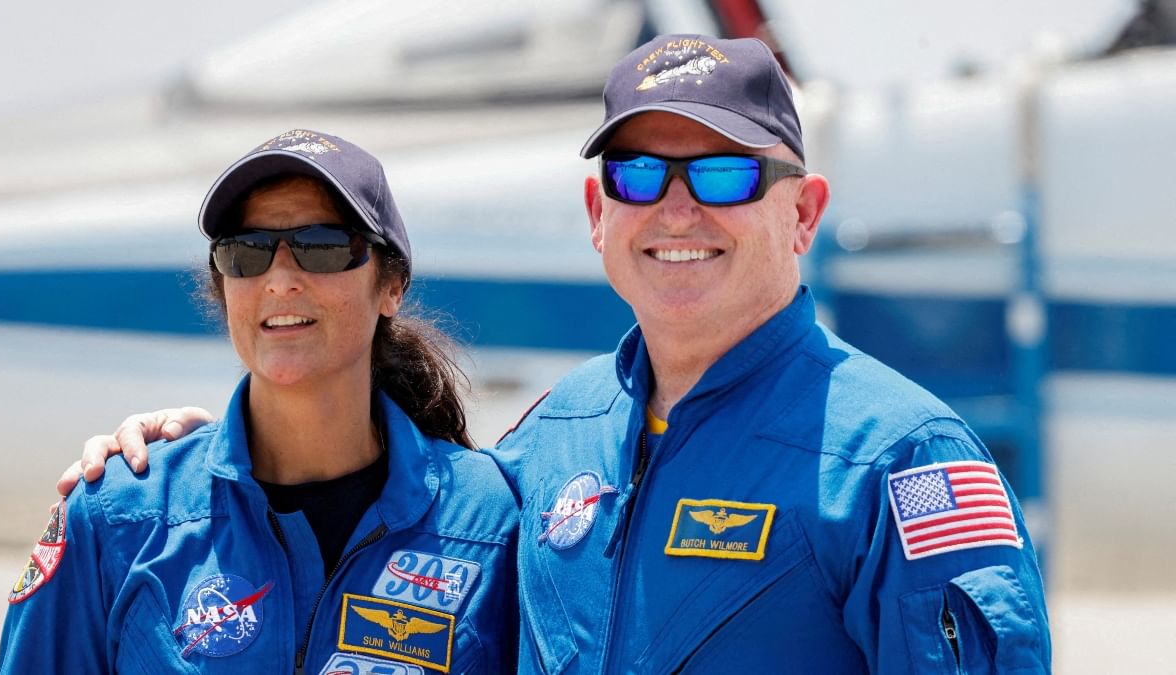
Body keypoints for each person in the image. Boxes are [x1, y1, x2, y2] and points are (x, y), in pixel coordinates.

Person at [55, 35, 1050, 673]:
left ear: (804, 212)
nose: (676, 209)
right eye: (638, 174)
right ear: (596, 213)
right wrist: (196, 459)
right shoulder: (552, 442)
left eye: (723, 174)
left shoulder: (897, 459)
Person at [0, 129, 518, 674]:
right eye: (247, 252)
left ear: (391, 286)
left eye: (322, 246)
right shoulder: (119, 517)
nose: (280, 280)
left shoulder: (489, 521)